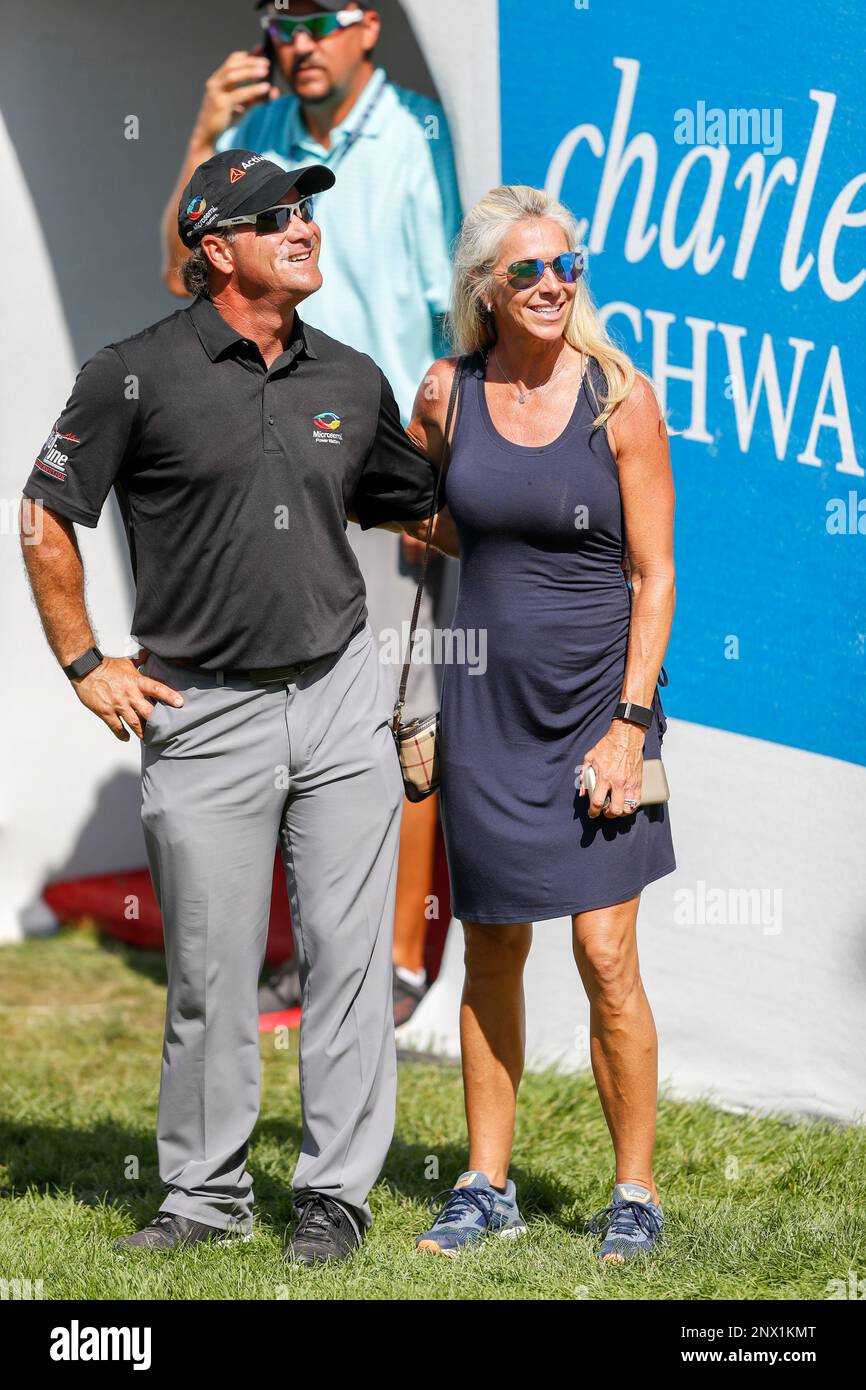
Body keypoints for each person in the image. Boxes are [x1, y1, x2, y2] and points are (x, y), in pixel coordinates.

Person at [20, 151, 443, 1266]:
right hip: (200, 711)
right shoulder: (130, 374)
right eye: (278, 216)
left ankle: (335, 1198)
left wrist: (531, 462)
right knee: (208, 975)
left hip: (340, 694)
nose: (303, 227)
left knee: (346, 960)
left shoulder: (351, 379)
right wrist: (84, 663)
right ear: (216, 247)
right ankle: (203, 1197)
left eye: (307, 212)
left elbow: (426, 510)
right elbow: (44, 515)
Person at [161, 0, 462, 1026]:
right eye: (278, 23)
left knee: (397, 719)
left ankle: (399, 963)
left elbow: (450, 313)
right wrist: (204, 135)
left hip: (377, 477)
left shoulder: (420, 134)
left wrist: (426, 479)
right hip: (262, 476)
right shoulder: (252, 139)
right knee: (283, 724)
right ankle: (321, 958)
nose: (298, 41)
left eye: (320, 20)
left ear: (369, 26)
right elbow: (177, 274)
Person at [404, 185, 677, 1262]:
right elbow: (430, 528)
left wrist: (627, 724)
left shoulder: (620, 400)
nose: (554, 282)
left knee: (605, 951)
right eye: (529, 269)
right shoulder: (445, 394)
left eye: (566, 264)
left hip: (599, 708)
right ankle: (484, 1183)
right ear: (485, 288)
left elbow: (654, 578)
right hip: (483, 706)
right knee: (491, 947)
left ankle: (634, 1193)